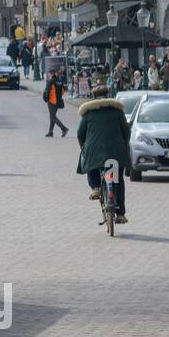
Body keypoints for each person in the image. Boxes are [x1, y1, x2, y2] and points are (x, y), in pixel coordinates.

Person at [77, 85, 132, 224]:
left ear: (93, 96)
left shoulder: (88, 112)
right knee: (117, 179)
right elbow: (126, 130)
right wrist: (124, 145)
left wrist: (84, 146)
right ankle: (120, 214)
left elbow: (80, 133)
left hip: (95, 150)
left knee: (91, 163)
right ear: (108, 95)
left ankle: (95, 187)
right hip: (115, 151)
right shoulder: (117, 111)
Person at [43, 68, 69, 138]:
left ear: (51, 74)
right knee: (52, 116)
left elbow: (47, 91)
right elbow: (63, 90)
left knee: (53, 116)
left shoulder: (51, 81)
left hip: (52, 101)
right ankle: (50, 132)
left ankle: (64, 128)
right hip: (58, 101)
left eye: (48, 74)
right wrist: (59, 96)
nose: (48, 75)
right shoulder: (59, 81)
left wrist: (46, 99)